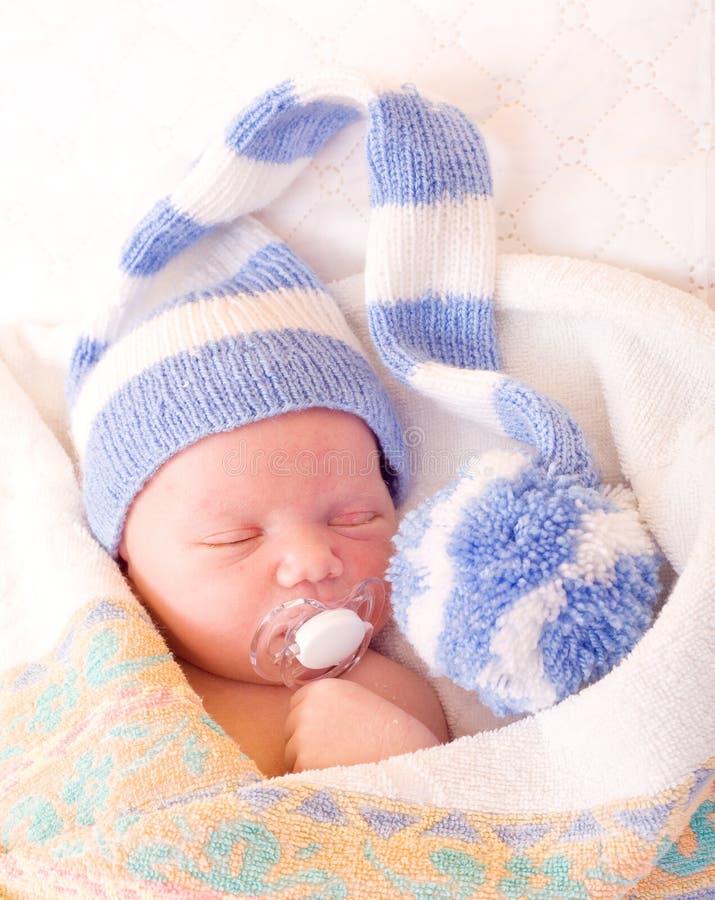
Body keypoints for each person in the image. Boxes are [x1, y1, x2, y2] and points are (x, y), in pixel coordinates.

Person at [117, 406, 448, 777]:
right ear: (126, 564)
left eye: (355, 520)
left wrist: (394, 768)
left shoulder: (394, 700)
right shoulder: (112, 697)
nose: (314, 562)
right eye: (234, 540)